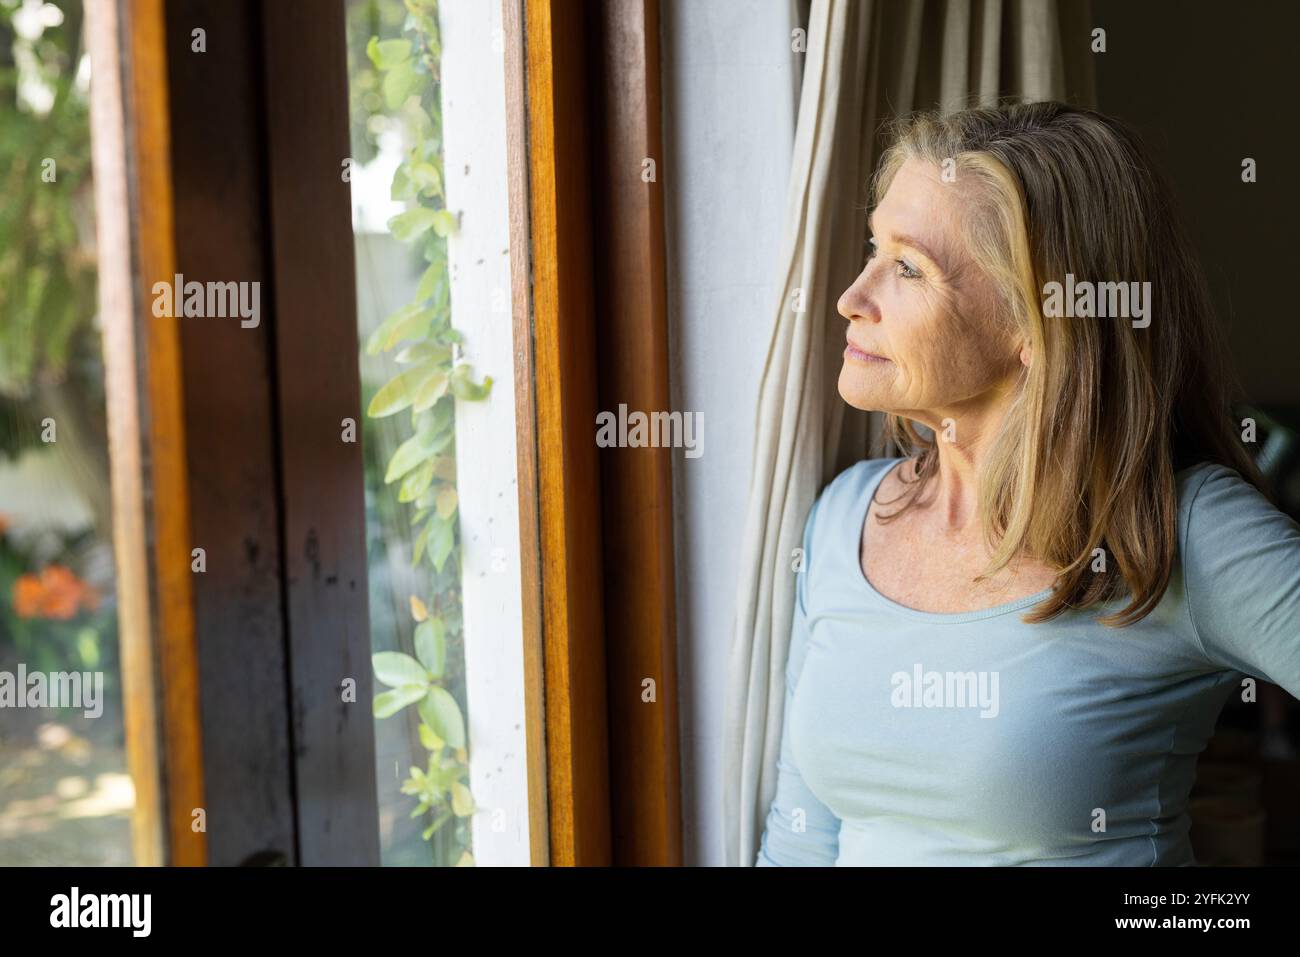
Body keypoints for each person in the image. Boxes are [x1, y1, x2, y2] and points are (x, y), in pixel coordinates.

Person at [755, 101, 1300, 866]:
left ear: (1038, 323)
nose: (853, 296)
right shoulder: (845, 516)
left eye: (908, 267)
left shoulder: (1180, 528)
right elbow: (801, 840)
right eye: (874, 248)